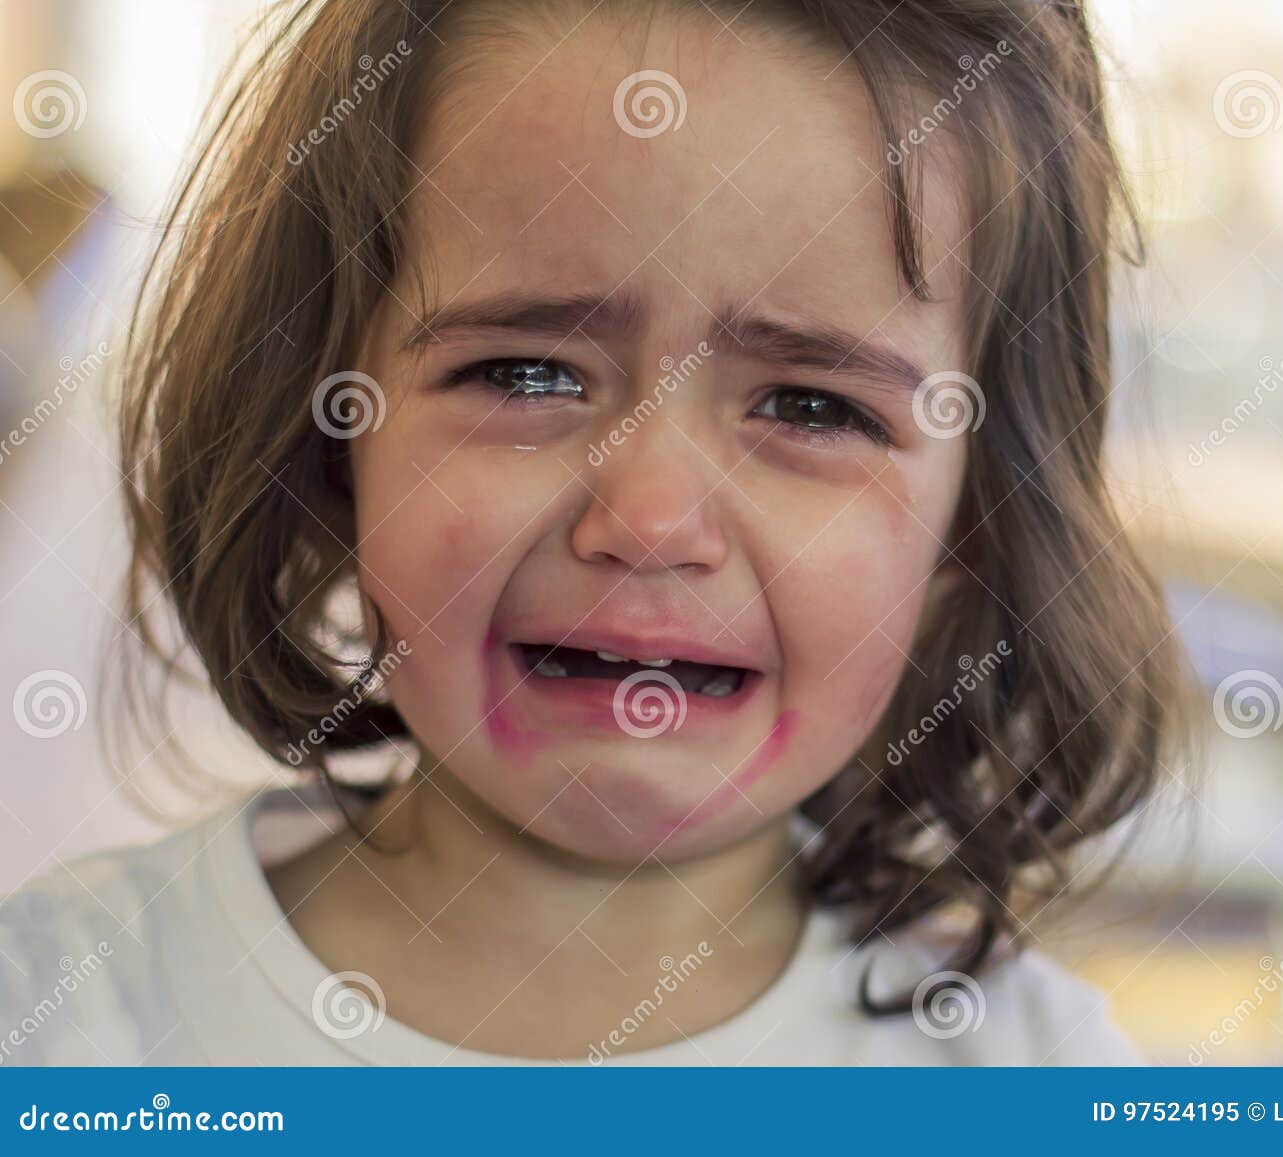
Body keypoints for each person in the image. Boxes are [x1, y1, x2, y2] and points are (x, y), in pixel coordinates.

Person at [0, 0, 1182, 1066]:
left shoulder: (1031, 1075)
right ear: (327, 441)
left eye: (814, 406)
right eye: (524, 372)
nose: (650, 519)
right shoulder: (60, 1020)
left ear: (971, 526)